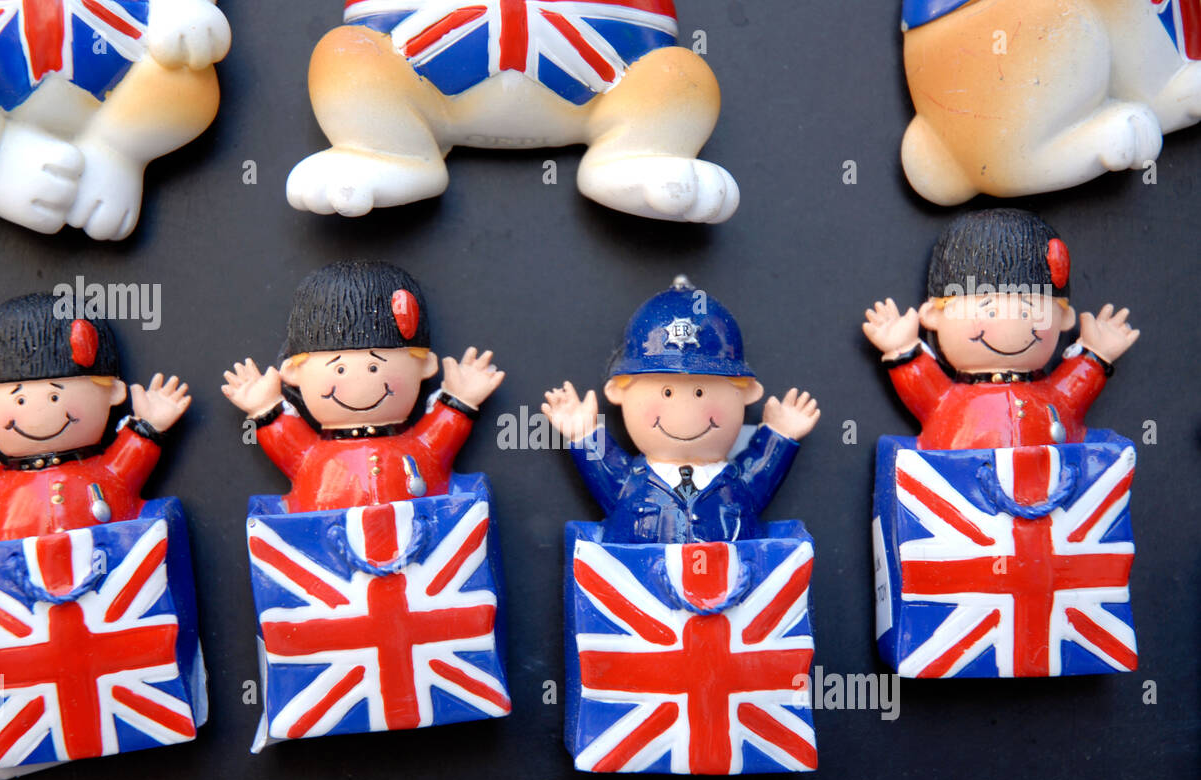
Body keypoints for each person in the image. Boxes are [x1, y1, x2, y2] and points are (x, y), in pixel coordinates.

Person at [543, 276, 820, 544]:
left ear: (747, 393)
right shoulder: (630, 484)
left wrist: (780, 435)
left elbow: (762, 470)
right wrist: (582, 432)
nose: (684, 410)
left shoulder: (736, 486)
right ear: (618, 391)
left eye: (700, 392)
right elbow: (604, 469)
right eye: (667, 392)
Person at [222, 261, 504, 512]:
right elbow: (288, 445)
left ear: (426, 365)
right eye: (340, 369)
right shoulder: (312, 457)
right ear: (293, 372)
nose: (360, 381)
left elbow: (441, 436)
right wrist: (264, 408)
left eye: (374, 367)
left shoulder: (420, 449)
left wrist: (460, 400)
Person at [0, 293, 191, 543]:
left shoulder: (106, 475)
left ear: (114, 392)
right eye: (19, 400)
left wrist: (148, 426)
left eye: (56, 397)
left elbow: (127, 465)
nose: (36, 412)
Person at [862, 209, 1140, 450]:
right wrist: (902, 350)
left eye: (1028, 310)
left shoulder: (1054, 399)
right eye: (989, 310)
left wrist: (1096, 354)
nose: (1008, 323)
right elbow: (924, 393)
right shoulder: (947, 402)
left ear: (1064, 317)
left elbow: (1073, 393)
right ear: (933, 315)